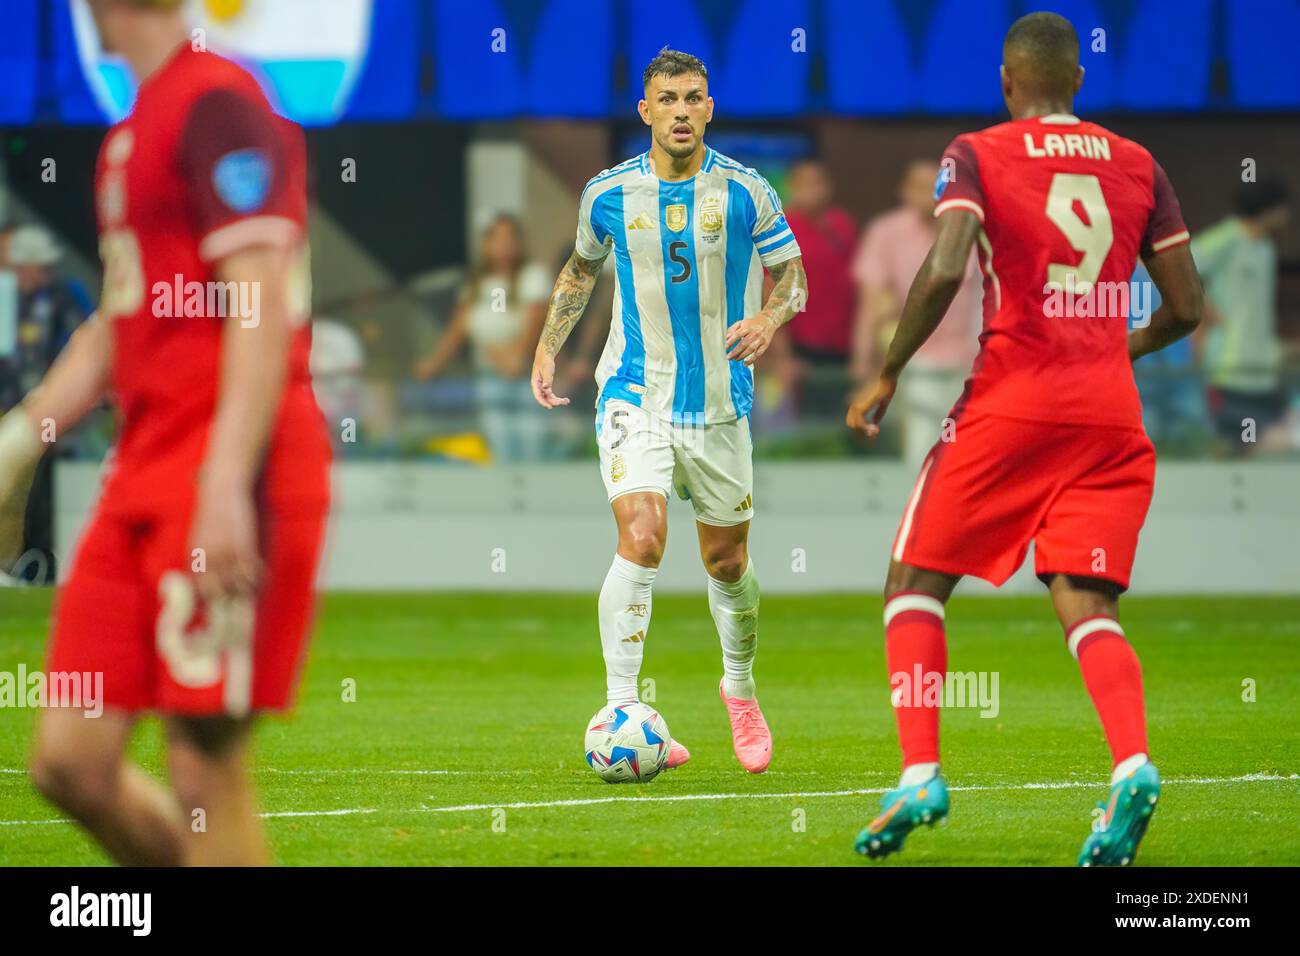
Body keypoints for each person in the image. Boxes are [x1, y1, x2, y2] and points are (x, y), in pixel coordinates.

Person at [845, 11, 1203, 865]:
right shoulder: (1139, 163)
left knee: (913, 581)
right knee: (1087, 600)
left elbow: (943, 265)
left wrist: (889, 371)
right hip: (1110, 417)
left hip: (1013, 401)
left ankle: (921, 772)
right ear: (1080, 80)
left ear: (1007, 82)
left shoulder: (979, 151)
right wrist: (1119, 345)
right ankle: (1132, 764)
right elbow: (1187, 308)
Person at [0, 0, 331, 866]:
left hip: (230, 465)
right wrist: (23, 434)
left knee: (202, 767)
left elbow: (258, 292)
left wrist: (225, 481)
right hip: (138, 477)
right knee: (69, 762)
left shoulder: (219, 102)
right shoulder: (130, 131)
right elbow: (120, 319)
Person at [529, 48, 807, 774]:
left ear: (710, 108)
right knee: (644, 535)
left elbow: (793, 278)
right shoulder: (608, 194)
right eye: (668, 99)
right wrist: (547, 346)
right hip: (633, 394)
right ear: (646, 110)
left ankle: (739, 689)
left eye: (694, 97)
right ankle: (623, 706)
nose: (682, 110)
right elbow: (580, 269)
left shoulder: (747, 191)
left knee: (728, 560)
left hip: (719, 407)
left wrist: (771, 320)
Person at [852, 160, 982, 465]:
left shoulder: (968, 228)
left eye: (935, 186)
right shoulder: (886, 232)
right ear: (905, 192)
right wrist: (863, 369)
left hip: (972, 365)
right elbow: (871, 306)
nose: (929, 194)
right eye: (920, 186)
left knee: (967, 459)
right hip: (914, 366)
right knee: (920, 458)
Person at [413, 214, 549, 462]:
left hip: (529, 372)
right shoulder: (476, 281)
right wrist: (436, 362)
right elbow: (458, 326)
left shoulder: (532, 275)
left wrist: (516, 356)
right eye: (496, 238)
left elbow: (536, 320)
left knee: (531, 439)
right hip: (490, 371)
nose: (503, 245)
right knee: (498, 439)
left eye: (509, 238)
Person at [0, 225, 92, 581]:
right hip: (17, 407)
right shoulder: (12, 299)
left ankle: (20, 564)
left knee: (30, 493)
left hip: (45, 409)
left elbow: (76, 351)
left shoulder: (63, 299)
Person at [1192, 175, 1292, 455]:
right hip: (1229, 368)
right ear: (1269, 208)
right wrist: (1202, 306)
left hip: (1263, 369)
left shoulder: (1266, 248)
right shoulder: (1228, 237)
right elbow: (1181, 267)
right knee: (1234, 449)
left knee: (1273, 446)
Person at [774, 158, 856, 418]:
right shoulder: (779, 228)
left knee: (843, 421)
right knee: (806, 430)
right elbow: (770, 294)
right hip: (801, 350)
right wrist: (783, 356)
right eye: (804, 184)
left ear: (828, 187)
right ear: (791, 187)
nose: (812, 190)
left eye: (817, 183)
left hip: (844, 347)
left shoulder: (842, 225)